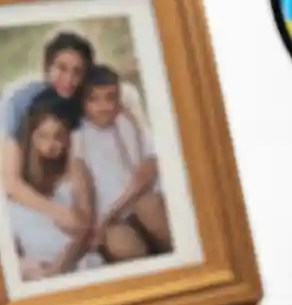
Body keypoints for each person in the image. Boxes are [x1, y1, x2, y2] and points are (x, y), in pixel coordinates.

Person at [72, 65, 171, 262]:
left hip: (132, 202)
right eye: (94, 100)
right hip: (108, 220)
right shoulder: (79, 136)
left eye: (111, 98)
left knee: (148, 207)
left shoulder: (128, 120)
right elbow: (84, 190)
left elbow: (148, 172)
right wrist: (104, 221)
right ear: (82, 102)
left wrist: (113, 212)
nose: (105, 107)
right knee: (122, 244)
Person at [1, 32, 94, 234]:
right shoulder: (21, 100)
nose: (69, 79)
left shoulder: (86, 102)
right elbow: (10, 182)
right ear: (47, 67)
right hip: (27, 190)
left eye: (77, 72)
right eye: (61, 68)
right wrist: (61, 213)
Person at [7, 92, 98, 280]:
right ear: (31, 135)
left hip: (71, 263)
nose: (50, 145)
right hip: (32, 265)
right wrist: (25, 266)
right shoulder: (19, 176)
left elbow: (85, 231)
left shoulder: (75, 170)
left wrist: (57, 270)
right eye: (43, 136)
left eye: (58, 136)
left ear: (68, 137)